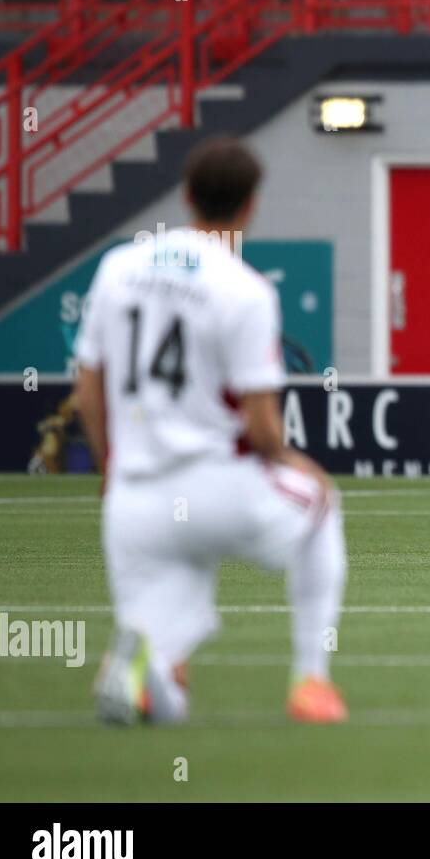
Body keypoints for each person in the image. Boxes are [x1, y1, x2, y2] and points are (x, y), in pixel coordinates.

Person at [75, 136, 350, 723]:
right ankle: (311, 682)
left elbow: (88, 391)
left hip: (135, 502)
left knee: (163, 680)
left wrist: (110, 469)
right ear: (250, 206)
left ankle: (142, 674)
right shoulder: (244, 289)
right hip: (218, 486)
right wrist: (292, 461)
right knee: (322, 506)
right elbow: (259, 419)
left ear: (186, 196)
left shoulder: (118, 267)